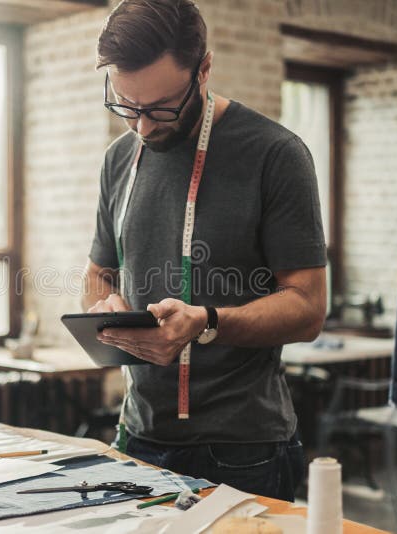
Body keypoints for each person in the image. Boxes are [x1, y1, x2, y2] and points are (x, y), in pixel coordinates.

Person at [81, 0, 327, 501]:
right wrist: (106, 310)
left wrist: (208, 321)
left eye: (161, 108)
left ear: (205, 69)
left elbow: (308, 307)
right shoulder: (119, 158)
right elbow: (98, 272)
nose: (143, 128)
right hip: (139, 439)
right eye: (127, 106)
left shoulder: (275, 155)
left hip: (243, 450)